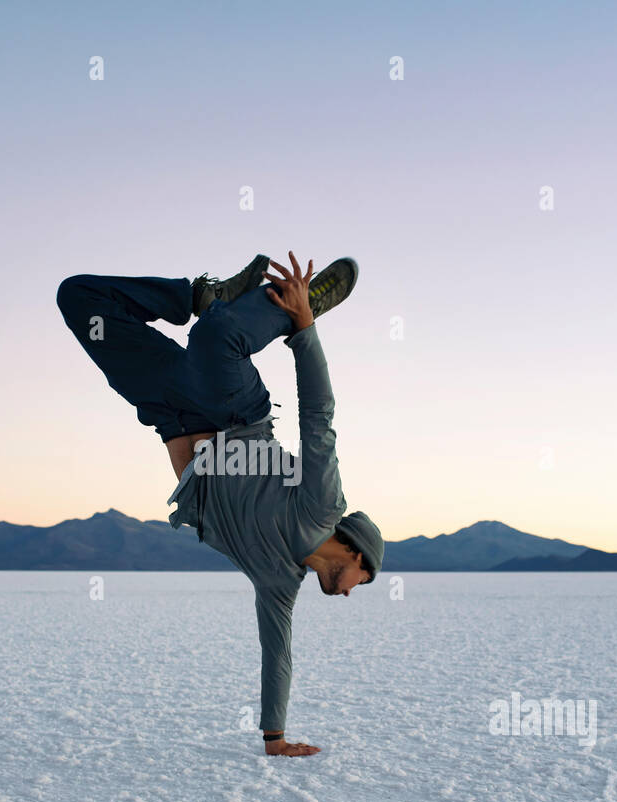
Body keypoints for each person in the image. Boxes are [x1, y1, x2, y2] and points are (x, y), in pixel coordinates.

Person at [56, 252, 384, 757]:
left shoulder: (279, 583)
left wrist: (274, 739)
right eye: (363, 582)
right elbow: (319, 416)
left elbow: (278, 655)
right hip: (233, 411)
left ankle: (201, 299)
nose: (348, 595)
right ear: (359, 555)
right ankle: (283, 303)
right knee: (215, 337)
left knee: (80, 300)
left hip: (170, 412)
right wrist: (302, 330)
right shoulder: (322, 506)